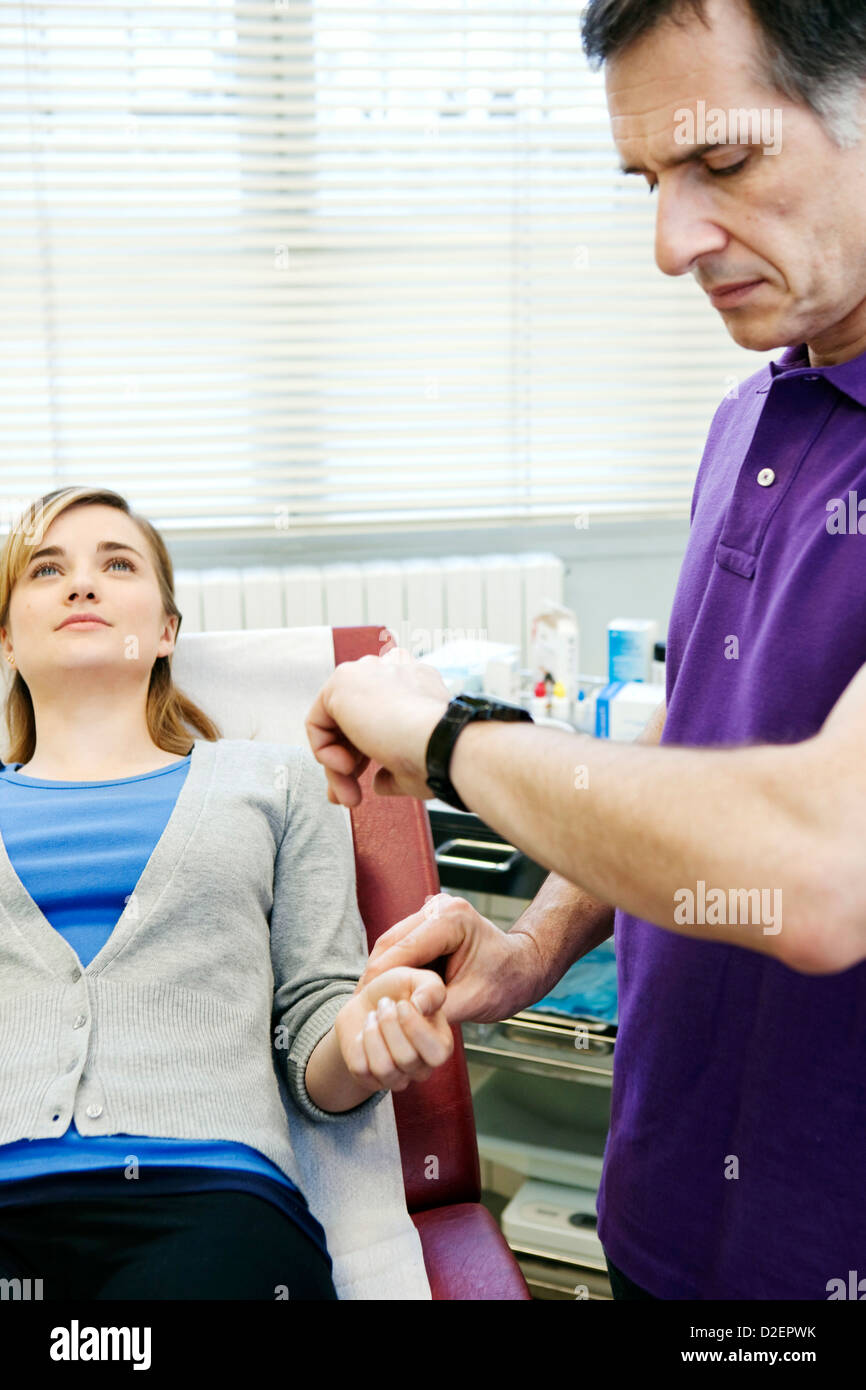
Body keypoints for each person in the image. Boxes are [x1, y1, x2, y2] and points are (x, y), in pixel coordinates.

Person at [303, 0, 866, 1301]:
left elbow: (816, 863)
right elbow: (706, 731)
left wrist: (439, 733)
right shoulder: (753, 413)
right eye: (649, 181)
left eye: (721, 165)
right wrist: (542, 938)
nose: (671, 243)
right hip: (671, 1211)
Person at [0, 485, 453, 1301]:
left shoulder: (281, 784)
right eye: (45, 570)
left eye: (116, 562)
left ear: (166, 630)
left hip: (210, 1205)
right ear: (6, 636)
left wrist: (366, 1039)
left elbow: (315, 1021)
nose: (81, 584)